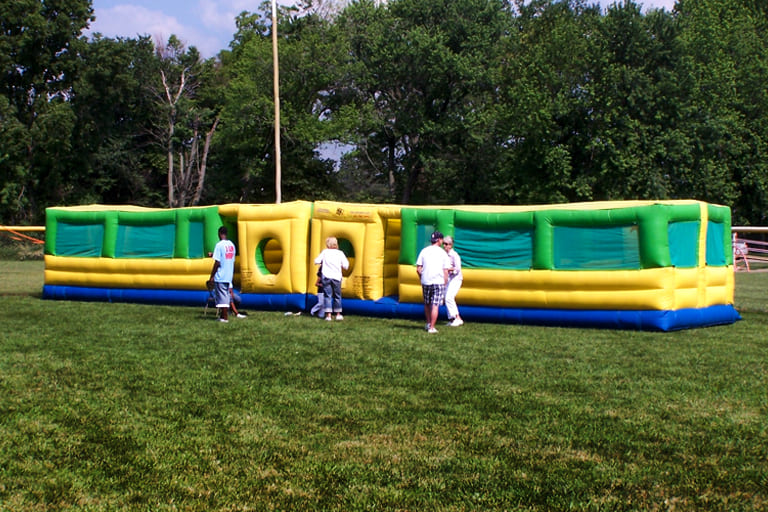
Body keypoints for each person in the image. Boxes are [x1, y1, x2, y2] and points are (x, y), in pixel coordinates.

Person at [416, 230, 451, 333]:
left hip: (426, 281)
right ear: (439, 240)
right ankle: (432, 327)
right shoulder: (442, 253)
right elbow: (445, 271)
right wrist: (445, 283)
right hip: (438, 281)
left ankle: (428, 323)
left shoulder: (424, 250)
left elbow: (418, 269)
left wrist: (422, 278)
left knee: (427, 304)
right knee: (435, 305)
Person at [314, 237, 349, 321]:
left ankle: (328, 315)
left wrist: (323, 262)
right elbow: (346, 265)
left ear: (328, 244)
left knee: (327, 296)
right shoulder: (340, 253)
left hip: (326, 276)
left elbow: (316, 261)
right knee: (337, 296)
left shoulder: (325, 252)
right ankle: (338, 314)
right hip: (336, 277)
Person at [207, 226, 236, 323]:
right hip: (229, 275)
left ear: (219, 233)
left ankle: (224, 318)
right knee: (226, 296)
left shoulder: (219, 245)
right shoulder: (231, 245)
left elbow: (217, 262)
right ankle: (222, 316)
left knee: (222, 299)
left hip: (221, 275)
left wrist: (212, 276)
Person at [442, 235, 464, 327]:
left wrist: (448, 269)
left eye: (447, 244)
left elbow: (457, 269)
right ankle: (452, 319)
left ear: (451, 245)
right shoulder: (444, 255)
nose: (445, 246)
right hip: (449, 279)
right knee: (446, 297)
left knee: (449, 297)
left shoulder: (454, 255)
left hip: (456, 279)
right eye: (444, 244)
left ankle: (456, 318)